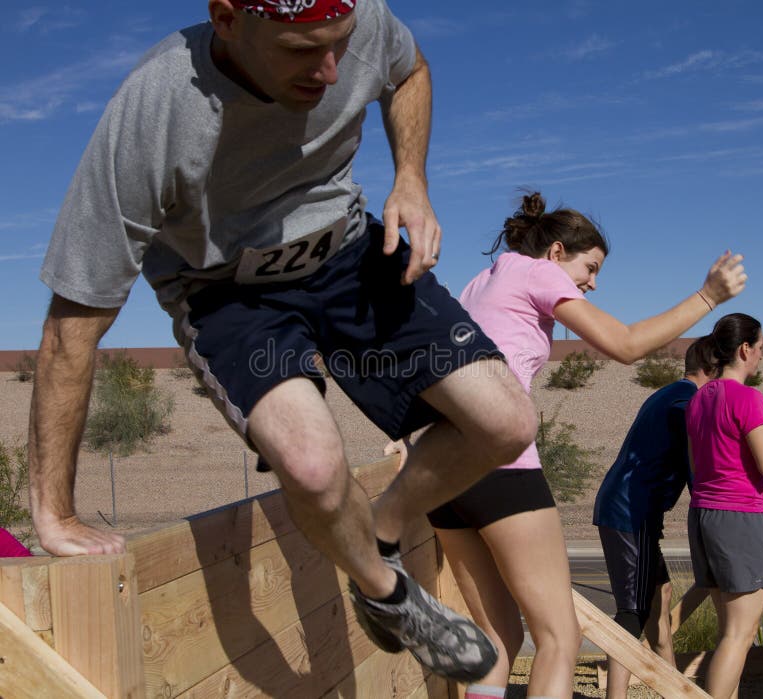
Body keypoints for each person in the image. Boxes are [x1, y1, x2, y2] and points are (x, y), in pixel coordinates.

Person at [28, 0, 543, 682]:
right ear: (228, 19)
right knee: (311, 466)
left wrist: (411, 177)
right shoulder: (154, 110)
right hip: (228, 291)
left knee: (506, 421)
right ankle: (387, 594)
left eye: (341, 43)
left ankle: (381, 528)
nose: (331, 71)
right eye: (303, 51)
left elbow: (409, 67)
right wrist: (54, 510)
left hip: (349, 250)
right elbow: (72, 327)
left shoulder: (363, 20)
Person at [389, 191, 747, 699]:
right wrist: (707, 297)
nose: (593, 283)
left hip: (442, 474)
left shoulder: (480, 283)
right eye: (591, 267)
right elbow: (623, 345)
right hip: (499, 464)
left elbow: (431, 368)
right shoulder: (536, 274)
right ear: (556, 252)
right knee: (560, 637)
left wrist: (405, 440)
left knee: (498, 636)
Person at [593, 337, 717, 699]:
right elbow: (696, 466)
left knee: (659, 597)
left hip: (629, 508)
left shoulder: (670, 394)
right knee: (632, 612)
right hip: (633, 512)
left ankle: (672, 685)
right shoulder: (686, 403)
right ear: (713, 369)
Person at [686, 313, 763, 699]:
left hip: (705, 515)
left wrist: (756, 501)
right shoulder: (748, 398)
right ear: (745, 349)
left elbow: (701, 468)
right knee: (739, 635)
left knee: (727, 630)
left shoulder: (699, 399)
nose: (762, 355)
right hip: (738, 521)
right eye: (761, 348)